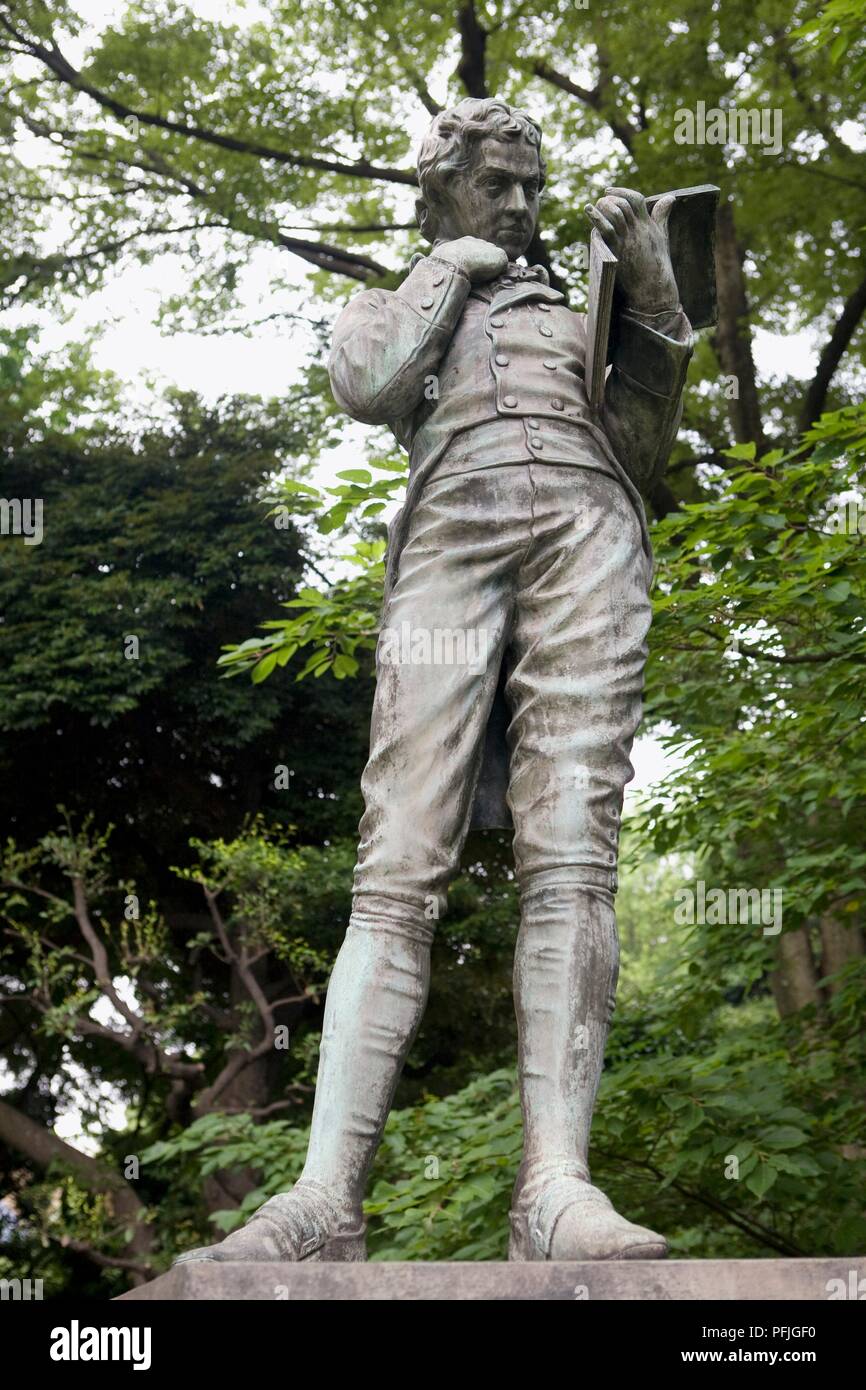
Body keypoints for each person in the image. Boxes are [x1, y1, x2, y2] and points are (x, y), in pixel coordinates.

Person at [176, 96, 693, 1266]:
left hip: (588, 535)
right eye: (494, 186)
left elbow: (642, 449)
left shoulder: (579, 316)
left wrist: (653, 301)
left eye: (529, 189)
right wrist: (447, 267)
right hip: (450, 539)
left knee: (572, 851)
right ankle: (323, 1196)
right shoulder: (390, 298)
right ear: (441, 190)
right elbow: (369, 385)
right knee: (396, 860)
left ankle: (554, 1186)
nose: (517, 206)